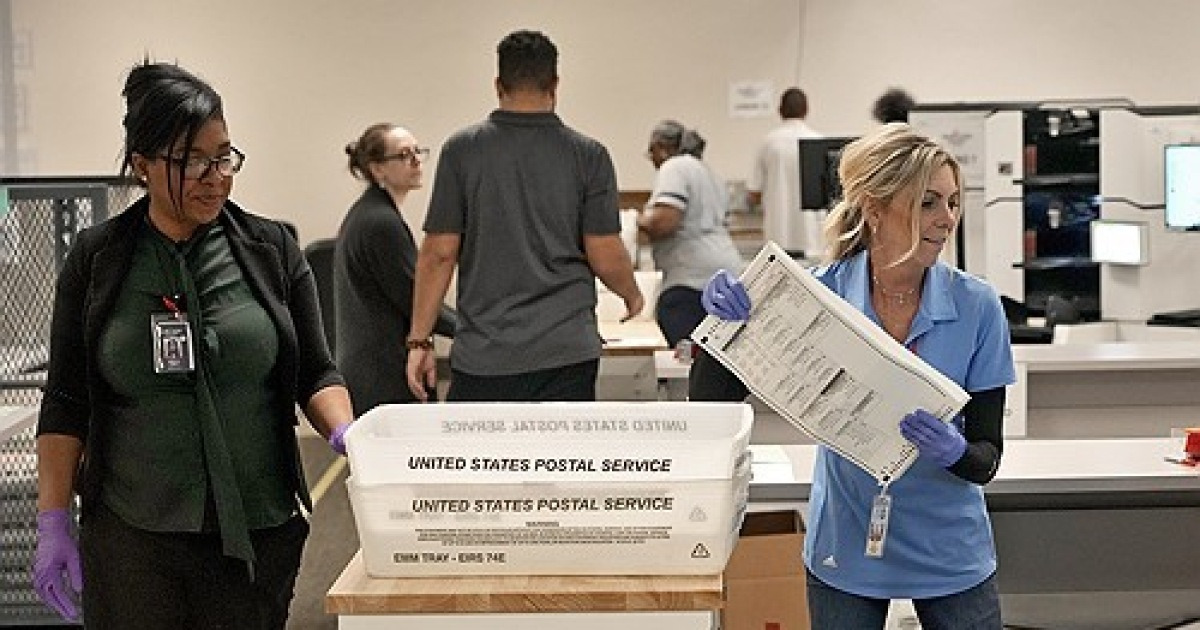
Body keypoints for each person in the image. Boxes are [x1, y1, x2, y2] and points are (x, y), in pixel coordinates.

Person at [32, 60, 354, 629]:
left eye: (224, 156)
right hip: (133, 537)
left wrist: (344, 428)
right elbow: (65, 401)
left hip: (255, 535)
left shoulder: (270, 250)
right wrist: (53, 520)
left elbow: (316, 372)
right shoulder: (98, 260)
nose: (216, 176)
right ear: (142, 167)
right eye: (193, 161)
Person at [693, 123, 1016, 629]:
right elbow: (714, 405)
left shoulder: (976, 306)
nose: (947, 219)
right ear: (875, 208)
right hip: (846, 546)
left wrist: (955, 452)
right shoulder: (815, 297)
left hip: (950, 551)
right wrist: (719, 331)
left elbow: (985, 459)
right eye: (928, 203)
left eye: (953, 203)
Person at [405, 29, 642, 402]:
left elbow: (438, 254)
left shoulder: (462, 151)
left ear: (498, 85)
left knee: (484, 461)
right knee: (559, 461)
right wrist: (632, 295)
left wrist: (419, 340)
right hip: (566, 352)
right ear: (556, 84)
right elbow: (604, 250)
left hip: (487, 355)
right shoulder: (589, 155)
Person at [336, 123, 457, 414]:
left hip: (373, 368)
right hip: (384, 374)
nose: (416, 160)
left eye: (418, 152)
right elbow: (416, 300)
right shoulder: (380, 223)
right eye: (404, 155)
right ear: (377, 169)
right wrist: (475, 330)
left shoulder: (371, 214)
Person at [638, 120, 744, 348]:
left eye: (652, 152)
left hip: (690, 280)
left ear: (661, 147)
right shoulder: (709, 172)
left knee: (687, 364)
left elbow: (666, 221)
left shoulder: (674, 167)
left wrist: (637, 221)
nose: (653, 160)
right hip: (727, 276)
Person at [749, 87, 822, 257]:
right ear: (806, 110)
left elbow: (754, 194)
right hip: (811, 239)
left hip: (777, 240)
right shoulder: (817, 141)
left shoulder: (767, 142)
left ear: (780, 111)